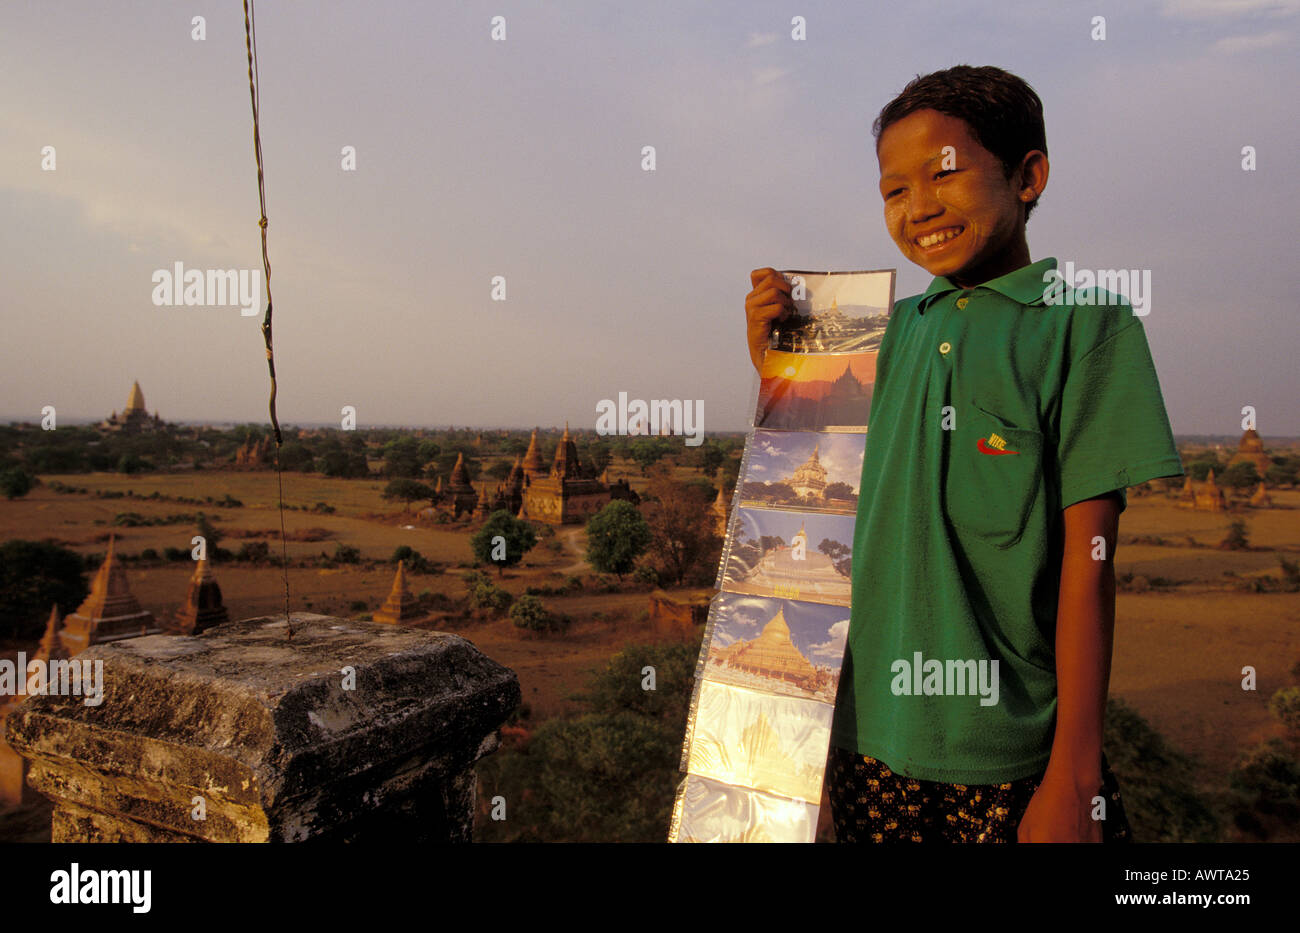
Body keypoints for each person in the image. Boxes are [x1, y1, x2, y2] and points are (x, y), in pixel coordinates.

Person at [743, 65, 1183, 842]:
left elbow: (1092, 560)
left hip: (1011, 755)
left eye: (942, 173)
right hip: (857, 743)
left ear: (1028, 175)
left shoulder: (1085, 327)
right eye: (893, 191)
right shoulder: (872, 334)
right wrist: (779, 366)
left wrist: (1076, 776)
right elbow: (818, 490)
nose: (919, 207)